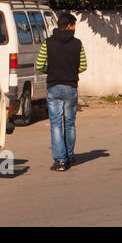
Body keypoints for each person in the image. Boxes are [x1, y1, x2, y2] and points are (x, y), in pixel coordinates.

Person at [36, 12, 88, 172]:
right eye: (74, 25)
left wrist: (50, 70)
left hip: (54, 88)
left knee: (56, 124)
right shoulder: (77, 44)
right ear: (69, 25)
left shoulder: (47, 43)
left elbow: (39, 64)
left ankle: (60, 161)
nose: (75, 29)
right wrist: (71, 71)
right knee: (70, 124)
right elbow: (83, 66)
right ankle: (70, 156)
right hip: (71, 88)